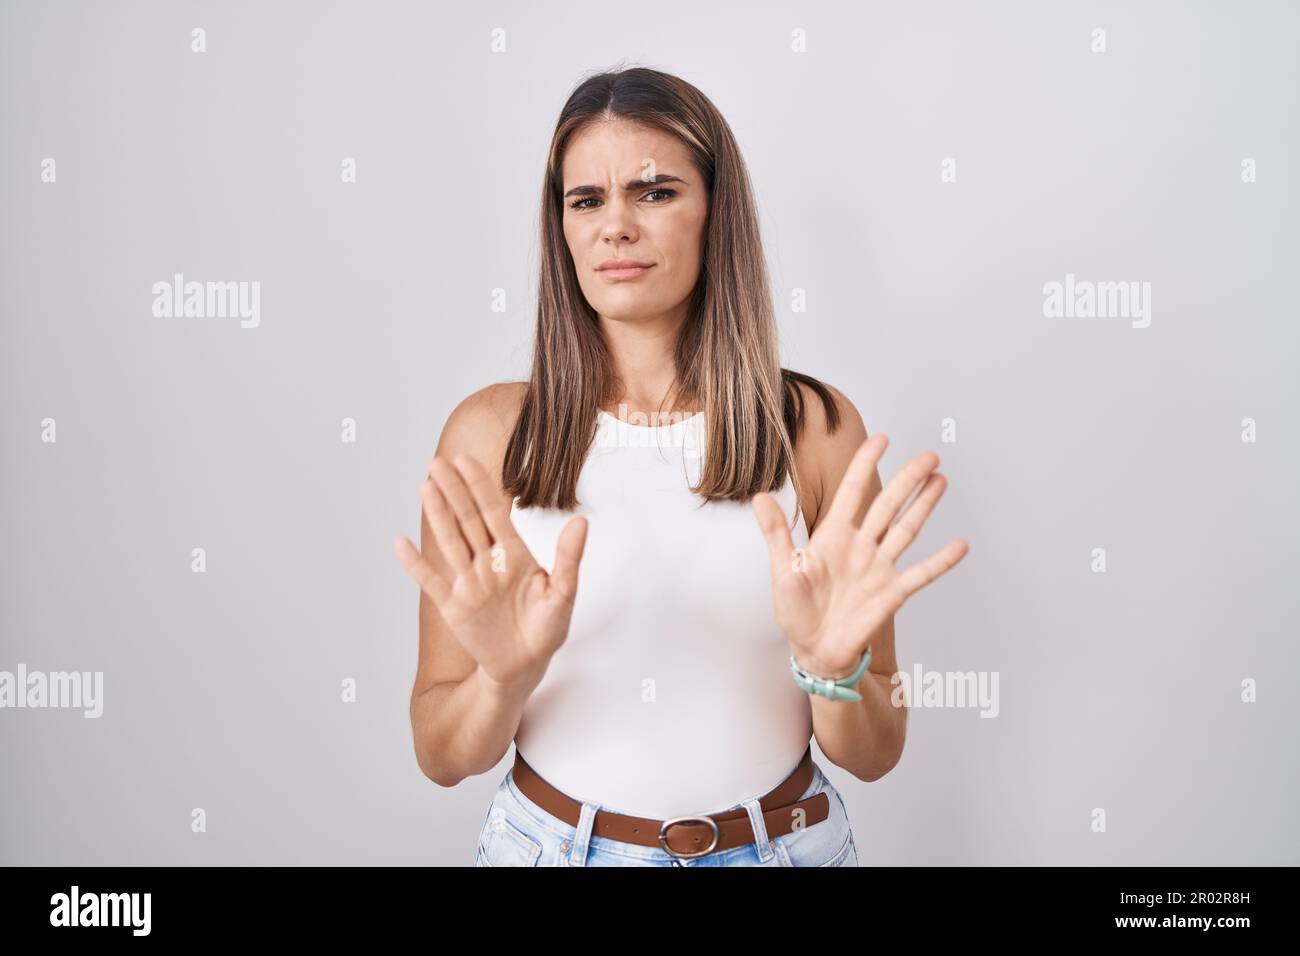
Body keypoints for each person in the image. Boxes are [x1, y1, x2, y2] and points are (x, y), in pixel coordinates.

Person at [393, 66, 969, 866]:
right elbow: (442, 755)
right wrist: (503, 678)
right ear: (559, 225)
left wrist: (830, 668)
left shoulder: (815, 430)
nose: (615, 227)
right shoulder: (491, 434)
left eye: (654, 192)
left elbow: (874, 751)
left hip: (786, 847)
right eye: (585, 200)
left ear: (715, 214)